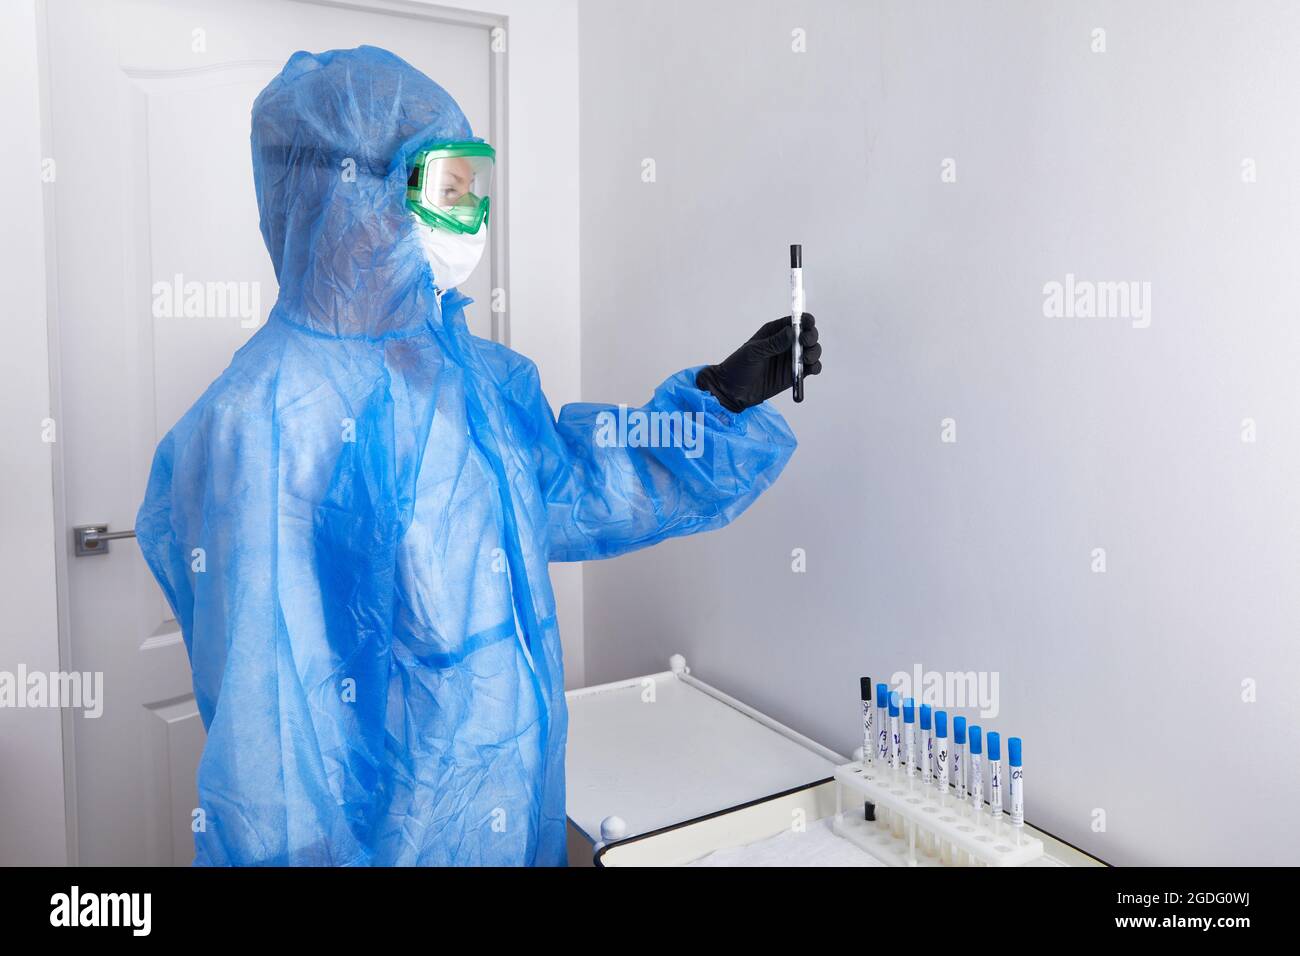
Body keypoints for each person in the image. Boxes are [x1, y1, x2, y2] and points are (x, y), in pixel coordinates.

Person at [136, 45, 823, 866]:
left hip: (509, 814)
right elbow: (273, 760)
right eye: (445, 190)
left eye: (472, 190)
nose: (469, 219)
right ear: (346, 190)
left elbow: (572, 490)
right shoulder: (261, 423)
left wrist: (718, 398)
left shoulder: (467, 374)